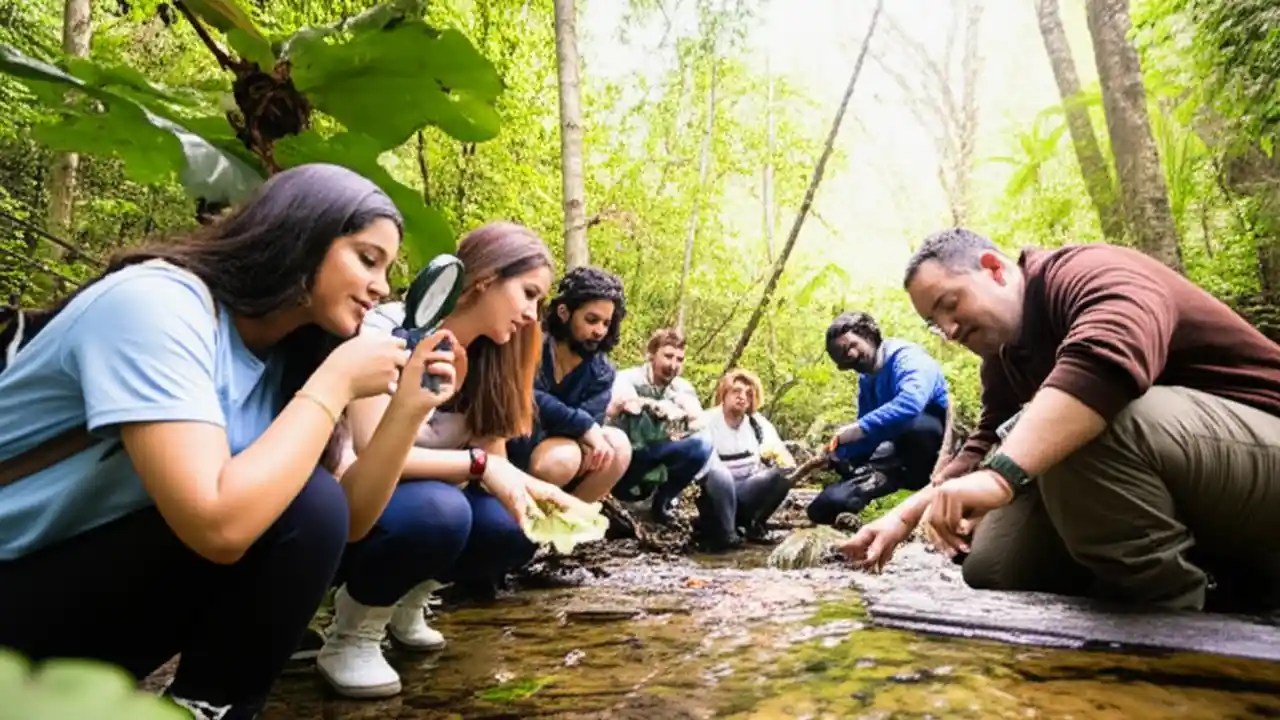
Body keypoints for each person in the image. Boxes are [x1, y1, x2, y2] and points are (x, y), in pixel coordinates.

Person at [0, 164, 456, 720]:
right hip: (16, 578)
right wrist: (334, 383)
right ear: (300, 236)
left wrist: (409, 409)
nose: (382, 287)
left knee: (311, 505)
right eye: (366, 258)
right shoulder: (157, 305)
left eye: (386, 270)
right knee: (300, 504)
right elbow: (217, 526)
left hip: (71, 587)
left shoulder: (282, 358)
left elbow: (345, 521)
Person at [843, 227, 1280, 613]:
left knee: (1088, 428)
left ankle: (1170, 629)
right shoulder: (1003, 358)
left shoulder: (1087, 271)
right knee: (995, 567)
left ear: (995, 269)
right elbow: (984, 443)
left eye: (950, 305)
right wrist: (902, 518)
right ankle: (1209, 586)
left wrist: (1000, 480)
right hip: (1186, 478)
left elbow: (1103, 365)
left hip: (1262, 451)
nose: (950, 331)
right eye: (935, 324)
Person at [317, 221, 588, 699]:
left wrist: (539, 496)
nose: (532, 314)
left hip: (440, 502)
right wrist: (478, 466)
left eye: (539, 302)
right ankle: (354, 630)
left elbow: (495, 462)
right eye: (527, 294)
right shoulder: (389, 327)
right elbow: (371, 448)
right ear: (484, 279)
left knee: (515, 522)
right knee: (442, 511)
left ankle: (409, 601)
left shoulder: (497, 356)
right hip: (364, 501)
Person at [806, 311, 951, 526]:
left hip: (933, 447)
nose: (851, 356)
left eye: (852, 346)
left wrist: (859, 428)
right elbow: (868, 435)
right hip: (893, 456)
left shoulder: (907, 358)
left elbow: (911, 402)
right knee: (823, 506)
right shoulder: (867, 381)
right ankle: (873, 487)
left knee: (915, 425)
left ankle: (927, 488)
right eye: (842, 356)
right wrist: (838, 453)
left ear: (868, 336)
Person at [507, 266, 632, 501]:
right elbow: (523, 393)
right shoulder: (531, 343)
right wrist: (581, 425)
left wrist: (581, 427)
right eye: (592, 320)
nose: (599, 331)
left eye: (606, 323)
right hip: (512, 445)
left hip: (564, 450)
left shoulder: (602, 371)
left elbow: (590, 422)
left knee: (618, 446)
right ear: (564, 312)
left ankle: (567, 521)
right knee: (560, 459)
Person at [608, 328, 715, 525]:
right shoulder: (627, 378)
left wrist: (683, 412)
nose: (673, 365)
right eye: (668, 356)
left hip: (658, 455)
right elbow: (623, 403)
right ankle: (620, 502)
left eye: (679, 360)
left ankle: (661, 503)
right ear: (651, 354)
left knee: (703, 443)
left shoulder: (681, 386)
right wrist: (653, 405)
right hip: (624, 460)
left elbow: (698, 419)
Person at [697, 369, 796, 546]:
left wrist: (777, 459)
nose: (742, 397)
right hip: (715, 495)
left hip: (746, 490)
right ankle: (727, 533)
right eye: (736, 391)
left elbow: (783, 457)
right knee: (719, 475)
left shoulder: (757, 424)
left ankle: (754, 524)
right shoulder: (706, 421)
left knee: (784, 474)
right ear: (724, 393)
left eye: (748, 394)